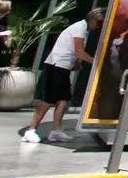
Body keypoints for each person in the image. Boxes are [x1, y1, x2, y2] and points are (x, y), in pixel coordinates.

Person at [29, 7, 102, 144]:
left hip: (64, 66)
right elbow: (79, 51)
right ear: (92, 19)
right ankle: (31, 129)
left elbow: (75, 52)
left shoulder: (83, 30)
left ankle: (56, 131)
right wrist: (96, 62)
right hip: (56, 65)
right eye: (98, 23)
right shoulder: (79, 27)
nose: (98, 27)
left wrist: (77, 62)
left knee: (64, 99)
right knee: (47, 99)